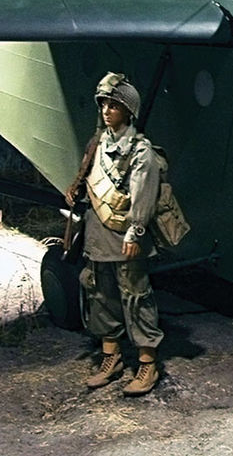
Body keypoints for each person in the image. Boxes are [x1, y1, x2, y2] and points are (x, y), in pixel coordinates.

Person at [65, 72, 164, 396]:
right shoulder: (98, 143)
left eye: (114, 106)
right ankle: (112, 358)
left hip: (125, 236)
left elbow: (143, 195)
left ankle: (147, 364)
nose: (107, 111)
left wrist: (135, 232)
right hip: (97, 234)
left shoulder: (140, 151)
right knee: (100, 294)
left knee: (136, 298)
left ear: (128, 111)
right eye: (104, 105)